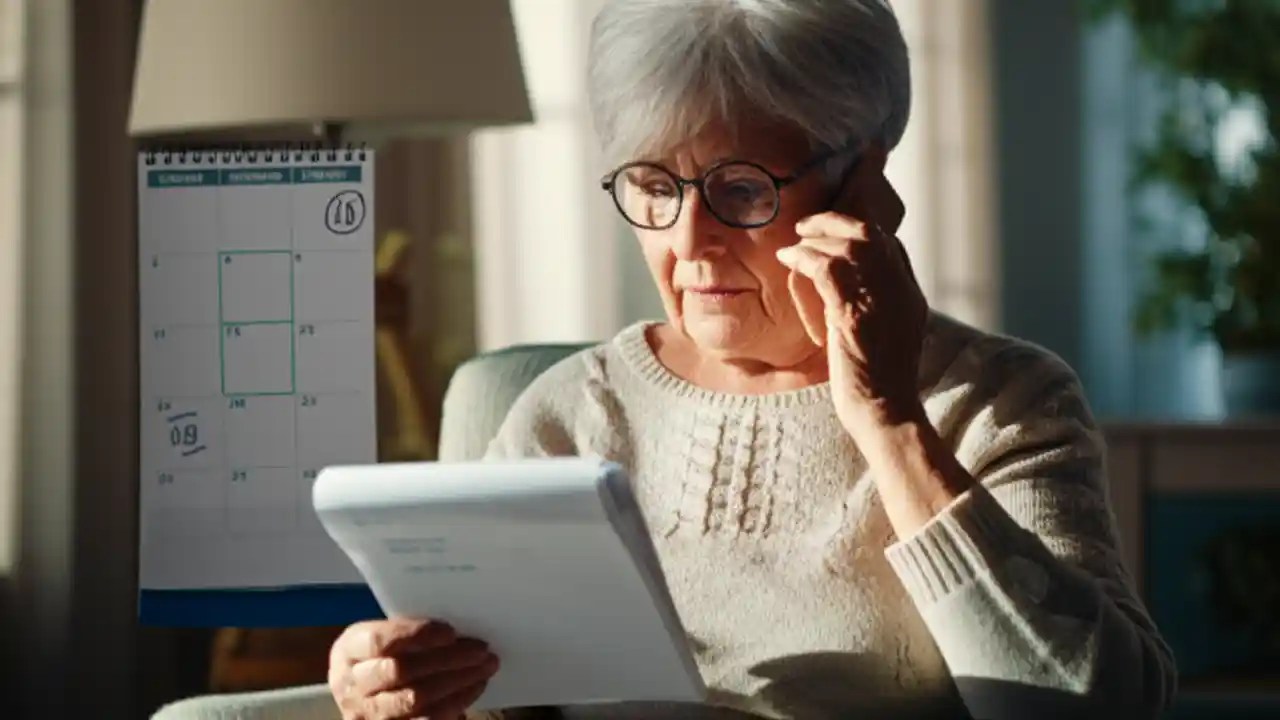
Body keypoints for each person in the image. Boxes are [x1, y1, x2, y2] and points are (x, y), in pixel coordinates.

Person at [326, 1, 1177, 718]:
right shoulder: (565, 414)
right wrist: (398, 686)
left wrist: (888, 419)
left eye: (740, 189)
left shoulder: (1000, 402)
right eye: (654, 185)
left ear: (863, 186)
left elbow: (1094, 704)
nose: (687, 242)